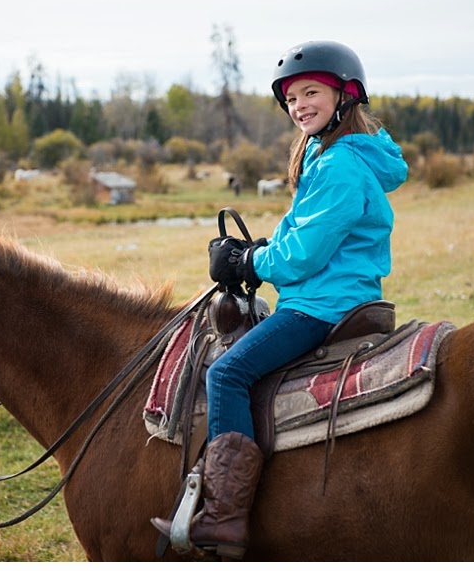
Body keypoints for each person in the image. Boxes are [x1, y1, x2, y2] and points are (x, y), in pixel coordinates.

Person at [151, 40, 409, 560]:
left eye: (310, 92)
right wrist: (259, 249)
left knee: (225, 373)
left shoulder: (340, 165)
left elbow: (305, 258)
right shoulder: (328, 154)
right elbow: (302, 237)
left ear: (345, 95)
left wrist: (250, 263)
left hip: (321, 305)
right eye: (291, 99)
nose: (299, 107)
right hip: (324, 293)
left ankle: (223, 517)